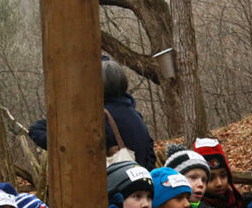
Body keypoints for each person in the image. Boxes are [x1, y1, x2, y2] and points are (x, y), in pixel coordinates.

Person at [29, 60, 157, 168]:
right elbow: (150, 158)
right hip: (141, 187)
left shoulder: (95, 119)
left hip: (109, 189)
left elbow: (37, 130)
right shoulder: (136, 116)